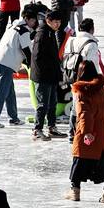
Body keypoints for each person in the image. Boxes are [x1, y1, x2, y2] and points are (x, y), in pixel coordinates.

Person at [68, 59, 104, 203]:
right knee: (103, 163)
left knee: (78, 161)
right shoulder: (101, 90)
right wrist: (101, 127)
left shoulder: (81, 92)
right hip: (101, 135)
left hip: (86, 134)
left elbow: (84, 114)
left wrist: (87, 132)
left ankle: (75, 191)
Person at [30, 10, 66, 141]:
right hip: (43, 76)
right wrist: (46, 73)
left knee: (52, 103)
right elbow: (37, 57)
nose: (58, 24)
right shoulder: (42, 34)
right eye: (55, 22)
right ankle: (37, 129)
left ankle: (52, 127)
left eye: (59, 22)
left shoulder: (51, 32)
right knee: (42, 104)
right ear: (48, 21)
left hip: (51, 75)